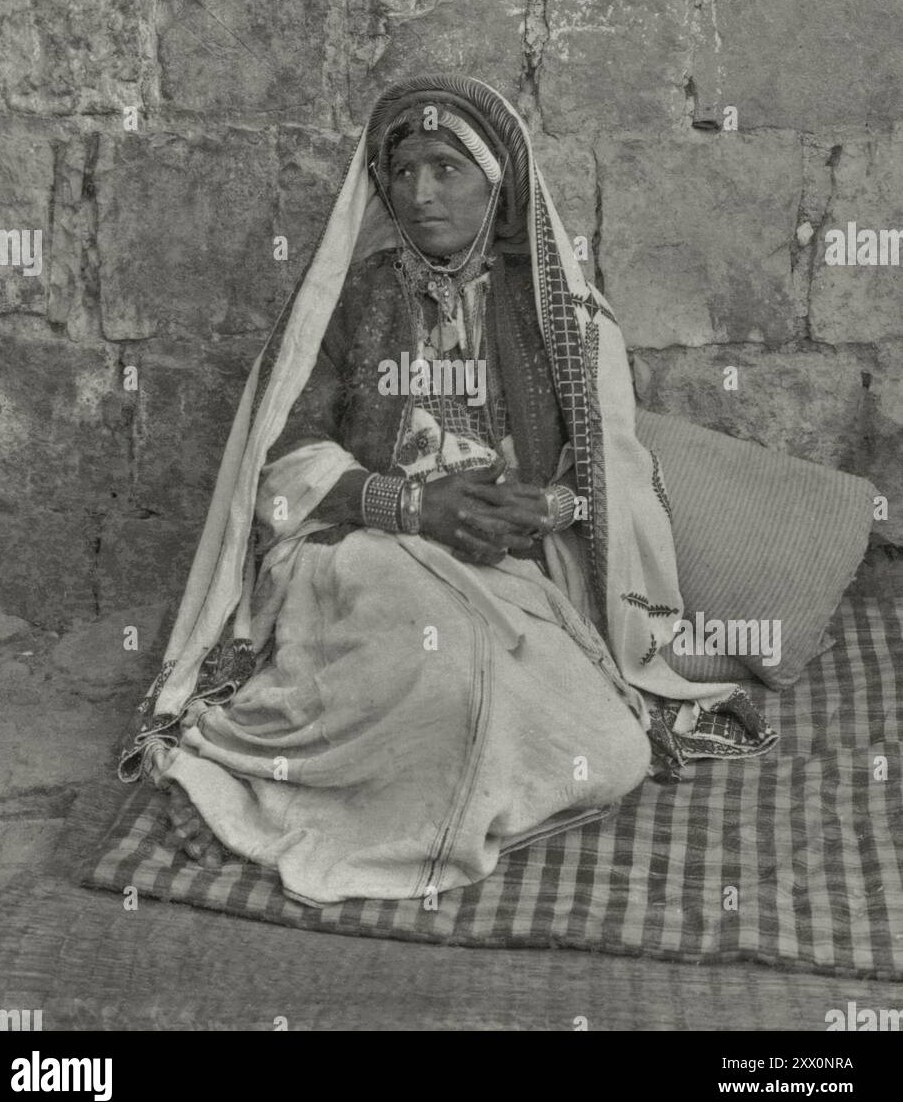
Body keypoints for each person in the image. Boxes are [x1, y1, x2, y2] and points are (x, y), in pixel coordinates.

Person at [118, 74, 776, 905]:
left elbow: (617, 473)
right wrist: (416, 507)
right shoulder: (350, 301)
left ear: (497, 185)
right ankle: (386, 820)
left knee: (613, 753)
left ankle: (455, 801)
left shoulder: (562, 314)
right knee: (442, 667)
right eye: (403, 172)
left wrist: (545, 509)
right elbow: (277, 463)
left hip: (516, 570)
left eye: (446, 169)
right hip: (362, 550)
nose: (420, 193)